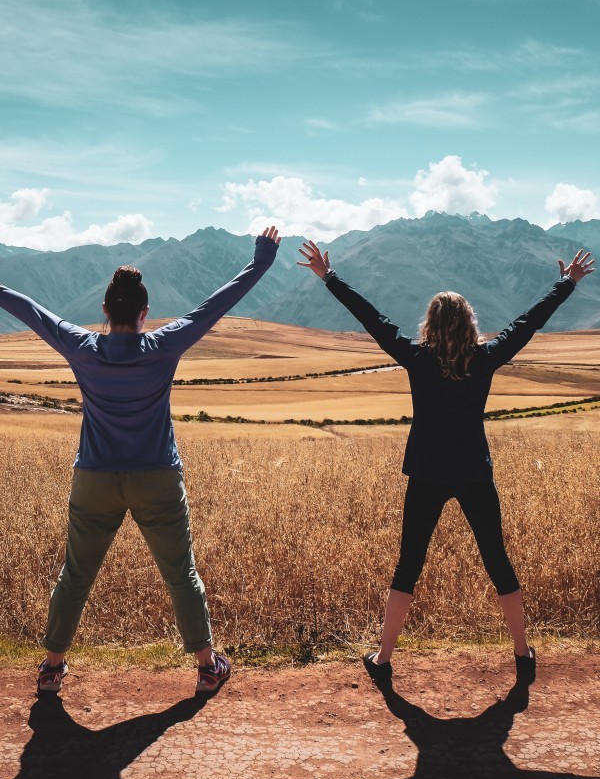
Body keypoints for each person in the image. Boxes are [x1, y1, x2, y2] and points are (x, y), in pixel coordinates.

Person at [0, 226, 281, 694]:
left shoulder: (80, 346)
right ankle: (208, 668)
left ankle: (51, 668)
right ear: (144, 314)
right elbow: (216, 304)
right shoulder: (164, 345)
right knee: (180, 573)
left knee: (76, 575)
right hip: (157, 477)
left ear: (106, 311)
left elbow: (27, 307)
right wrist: (261, 261)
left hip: (94, 478)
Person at [298, 242, 594, 685]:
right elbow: (529, 322)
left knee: (408, 564)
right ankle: (521, 651)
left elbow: (372, 319)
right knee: (497, 559)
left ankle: (383, 657)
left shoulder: (417, 359)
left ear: (430, 325)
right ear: (470, 322)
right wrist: (566, 283)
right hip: (474, 470)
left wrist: (330, 277)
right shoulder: (486, 358)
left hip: (427, 472)